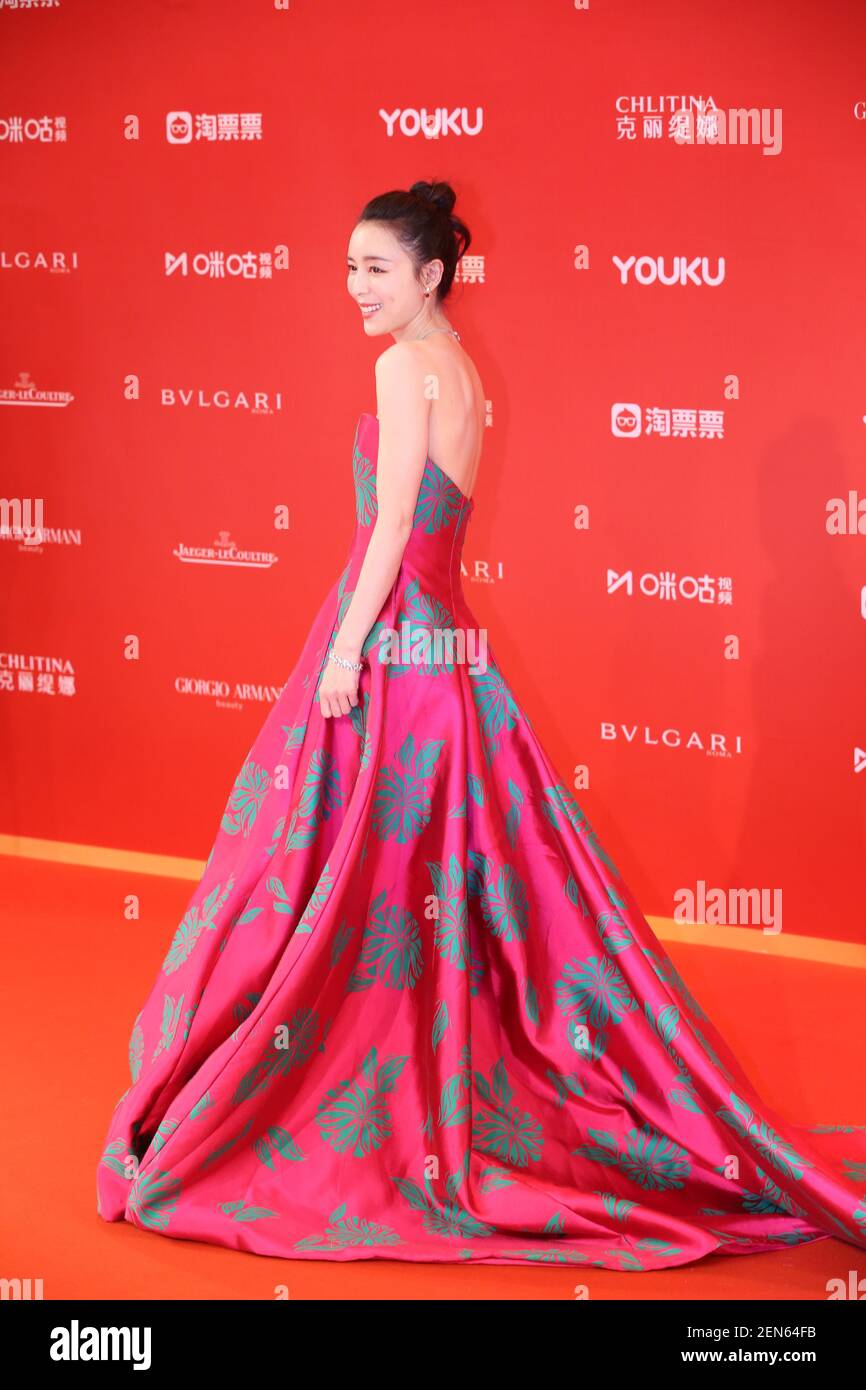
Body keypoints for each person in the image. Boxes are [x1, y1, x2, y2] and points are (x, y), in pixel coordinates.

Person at [96, 180, 866, 1270]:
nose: (354, 288)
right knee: (418, 883)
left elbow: (396, 521)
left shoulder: (402, 365)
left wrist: (342, 648)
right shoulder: (462, 370)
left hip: (396, 642)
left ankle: (354, 1097)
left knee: (344, 878)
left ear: (427, 273)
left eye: (373, 268)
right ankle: (432, 1076)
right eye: (348, 268)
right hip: (445, 650)